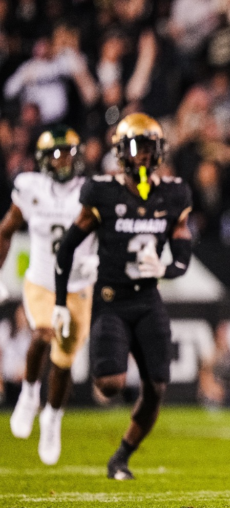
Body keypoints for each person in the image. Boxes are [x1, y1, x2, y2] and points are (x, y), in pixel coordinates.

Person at [52, 113, 193, 480]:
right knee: (110, 383)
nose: (143, 155)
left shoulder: (173, 193)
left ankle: (121, 457)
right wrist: (60, 301)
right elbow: (66, 247)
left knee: (157, 387)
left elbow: (182, 257)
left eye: (149, 147)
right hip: (111, 299)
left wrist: (164, 269)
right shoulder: (102, 192)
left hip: (147, 300)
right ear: (120, 152)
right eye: (136, 147)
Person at [4, 126, 98, 465]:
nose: (63, 160)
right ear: (44, 160)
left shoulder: (91, 191)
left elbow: (112, 235)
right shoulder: (31, 189)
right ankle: (29, 394)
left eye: (69, 153)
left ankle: (52, 419)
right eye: (56, 154)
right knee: (42, 333)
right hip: (42, 282)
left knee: (63, 363)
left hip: (77, 288)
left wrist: (99, 261)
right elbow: (6, 230)